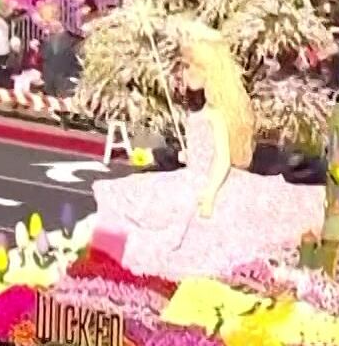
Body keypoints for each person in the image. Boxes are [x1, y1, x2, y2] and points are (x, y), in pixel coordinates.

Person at [90, 19, 325, 279]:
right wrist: (187, 156)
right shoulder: (198, 113)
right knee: (132, 195)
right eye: (185, 67)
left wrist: (210, 194)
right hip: (192, 177)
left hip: (208, 182)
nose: (185, 74)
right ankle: (104, 255)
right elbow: (202, 151)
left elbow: (222, 159)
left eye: (191, 67)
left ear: (208, 73)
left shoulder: (215, 114)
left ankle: (110, 256)